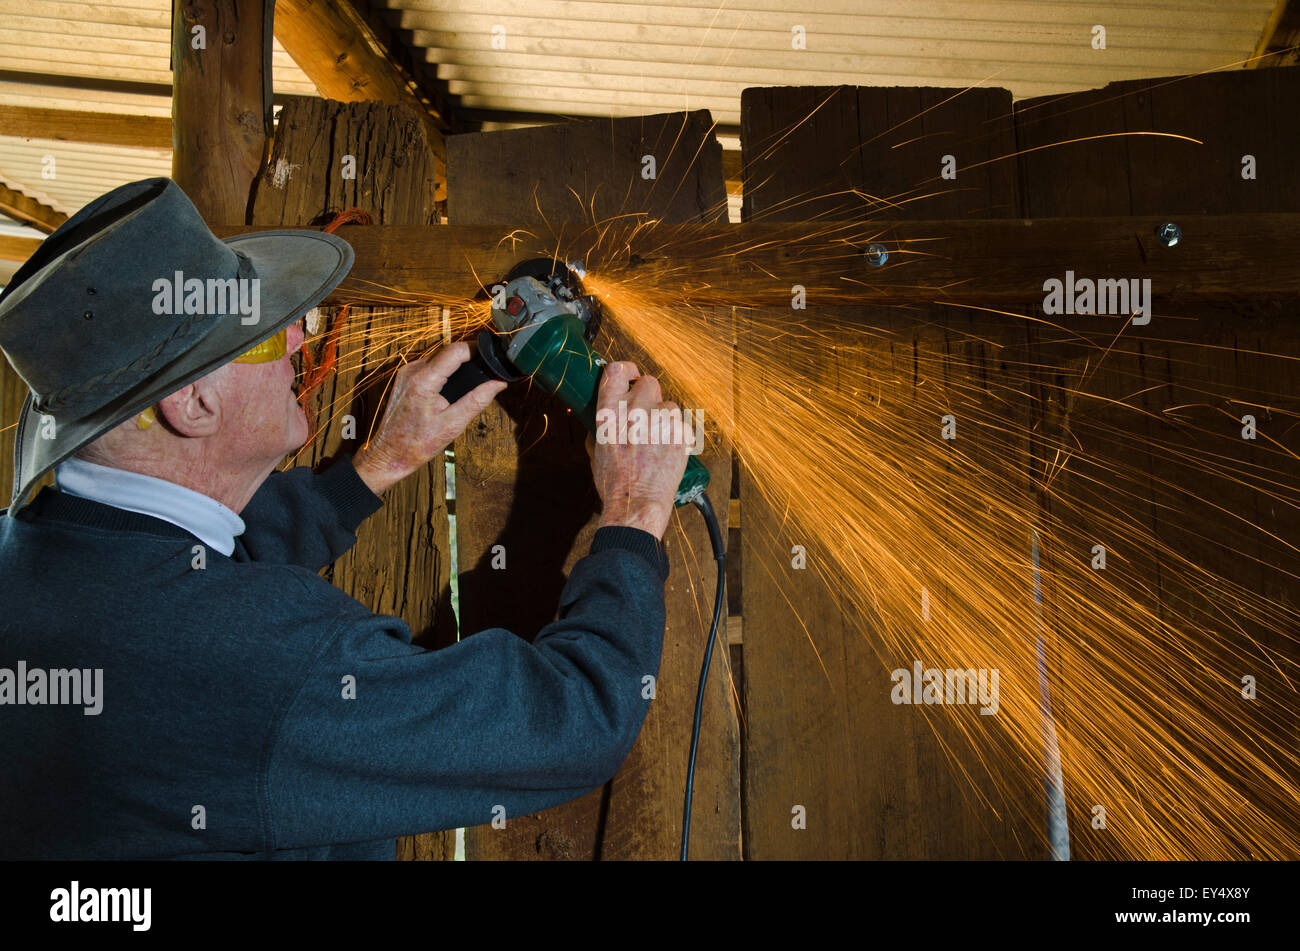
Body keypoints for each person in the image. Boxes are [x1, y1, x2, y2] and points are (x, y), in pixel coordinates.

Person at [0, 178, 689, 859]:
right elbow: (576, 719)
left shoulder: (25, 556)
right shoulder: (275, 660)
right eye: (266, 335)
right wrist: (633, 513)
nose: (298, 334)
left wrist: (373, 469)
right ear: (193, 405)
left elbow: (166, 581)